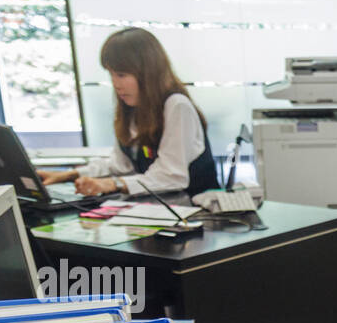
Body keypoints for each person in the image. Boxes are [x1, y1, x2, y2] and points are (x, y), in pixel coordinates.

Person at [39, 27, 218, 197]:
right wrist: (71, 175)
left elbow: (171, 176)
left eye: (122, 75)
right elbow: (120, 164)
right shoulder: (133, 108)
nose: (116, 84)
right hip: (157, 209)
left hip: (196, 213)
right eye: (112, 75)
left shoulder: (176, 106)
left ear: (147, 72)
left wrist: (112, 184)